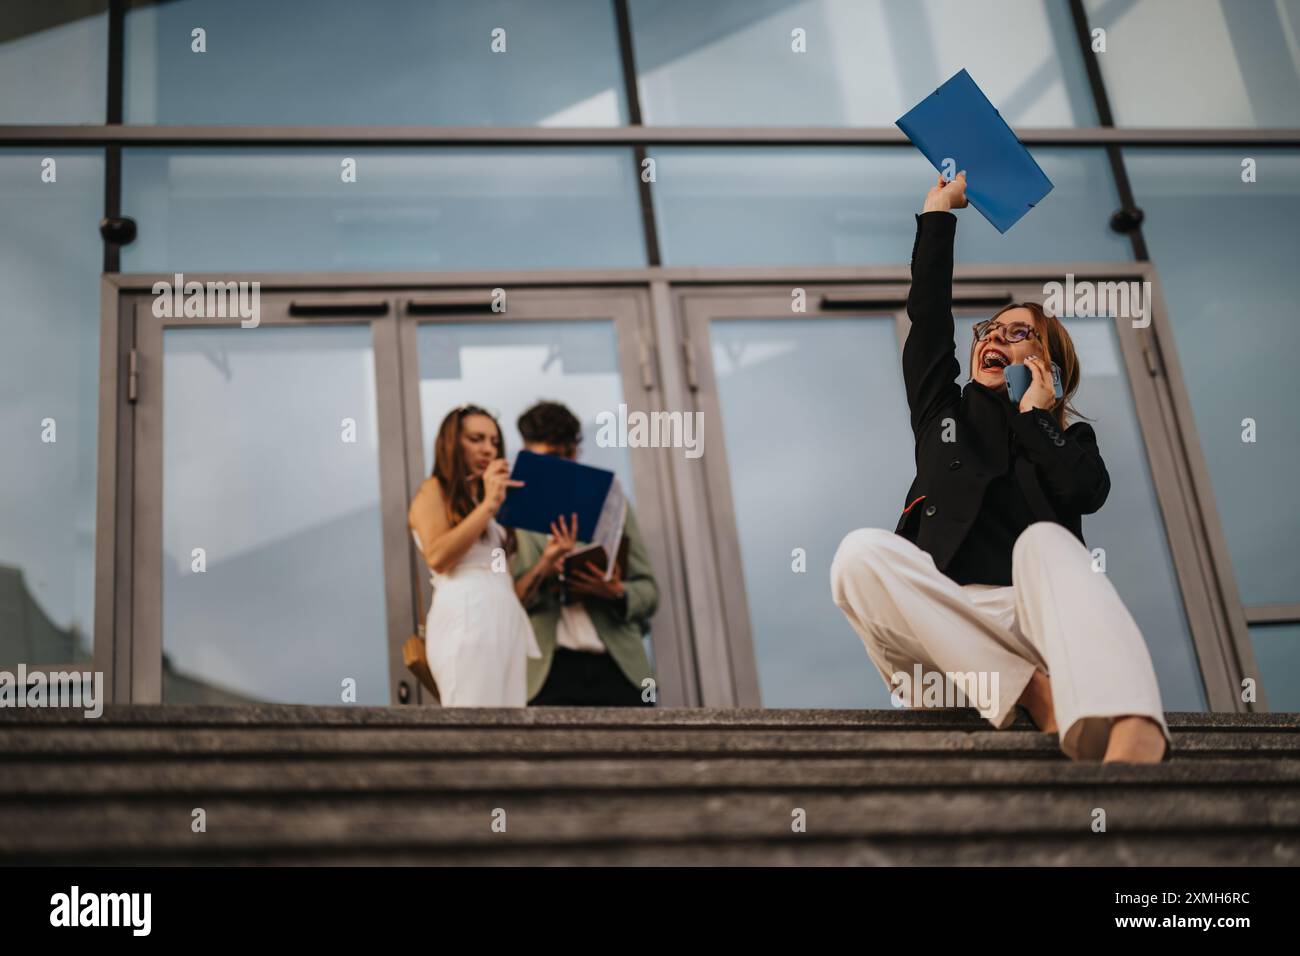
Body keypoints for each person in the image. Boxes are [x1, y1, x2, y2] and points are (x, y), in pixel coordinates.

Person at [829, 172, 1172, 764]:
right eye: (990, 329)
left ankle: (1135, 724)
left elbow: (1085, 492)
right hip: (940, 639)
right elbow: (929, 318)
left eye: (1019, 334)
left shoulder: (1063, 435)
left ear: (1046, 364)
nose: (995, 337)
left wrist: (1035, 417)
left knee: (1048, 543)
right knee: (857, 555)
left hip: (1027, 622)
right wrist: (939, 213)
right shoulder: (946, 412)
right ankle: (1038, 696)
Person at [510, 401, 659, 706]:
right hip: (547, 672)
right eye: (552, 458)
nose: (564, 465)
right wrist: (548, 565)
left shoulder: (612, 502)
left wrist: (617, 592)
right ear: (528, 457)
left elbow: (649, 592)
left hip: (618, 667)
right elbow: (508, 603)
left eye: (570, 455)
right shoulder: (511, 513)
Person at [407, 403, 543, 706]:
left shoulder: (490, 513)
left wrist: (548, 561)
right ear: (452, 443)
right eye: (476, 439)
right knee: (474, 722)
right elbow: (438, 556)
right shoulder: (434, 490)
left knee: (509, 735)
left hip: (506, 618)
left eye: (494, 442)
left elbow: (506, 585)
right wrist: (489, 505)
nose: (488, 450)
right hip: (467, 615)